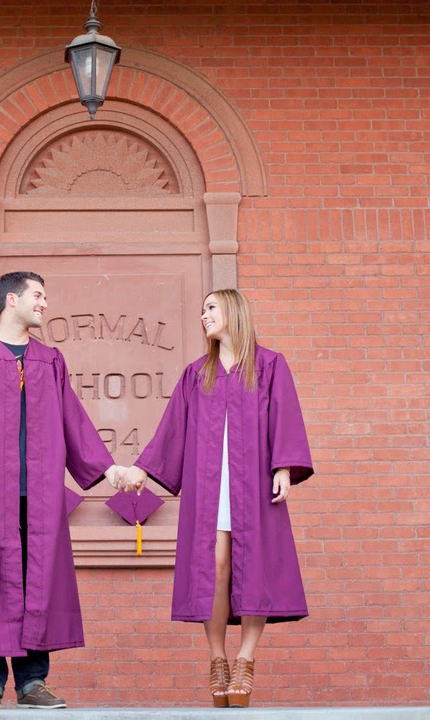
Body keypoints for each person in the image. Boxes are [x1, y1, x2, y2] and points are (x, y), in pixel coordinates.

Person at [0, 271, 125, 710]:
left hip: (38, 494)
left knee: (38, 581)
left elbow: (73, 422)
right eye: (37, 295)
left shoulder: (49, 360)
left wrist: (110, 470)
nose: (44, 303)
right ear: (10, 301)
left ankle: (32, 682)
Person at [123, 288, 313, 708]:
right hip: (210, 488)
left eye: (211, 308)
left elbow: (285, 415)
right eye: (203, 310)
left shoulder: (269, 365)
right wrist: (142, 469)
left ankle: (245, 659)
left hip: (253, 486)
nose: (204, 315)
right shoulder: (196, 373)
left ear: (232, 311)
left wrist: (284, 466)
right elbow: (171, 427)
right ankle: (217, 658)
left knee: (255, 566)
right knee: (216, 566)